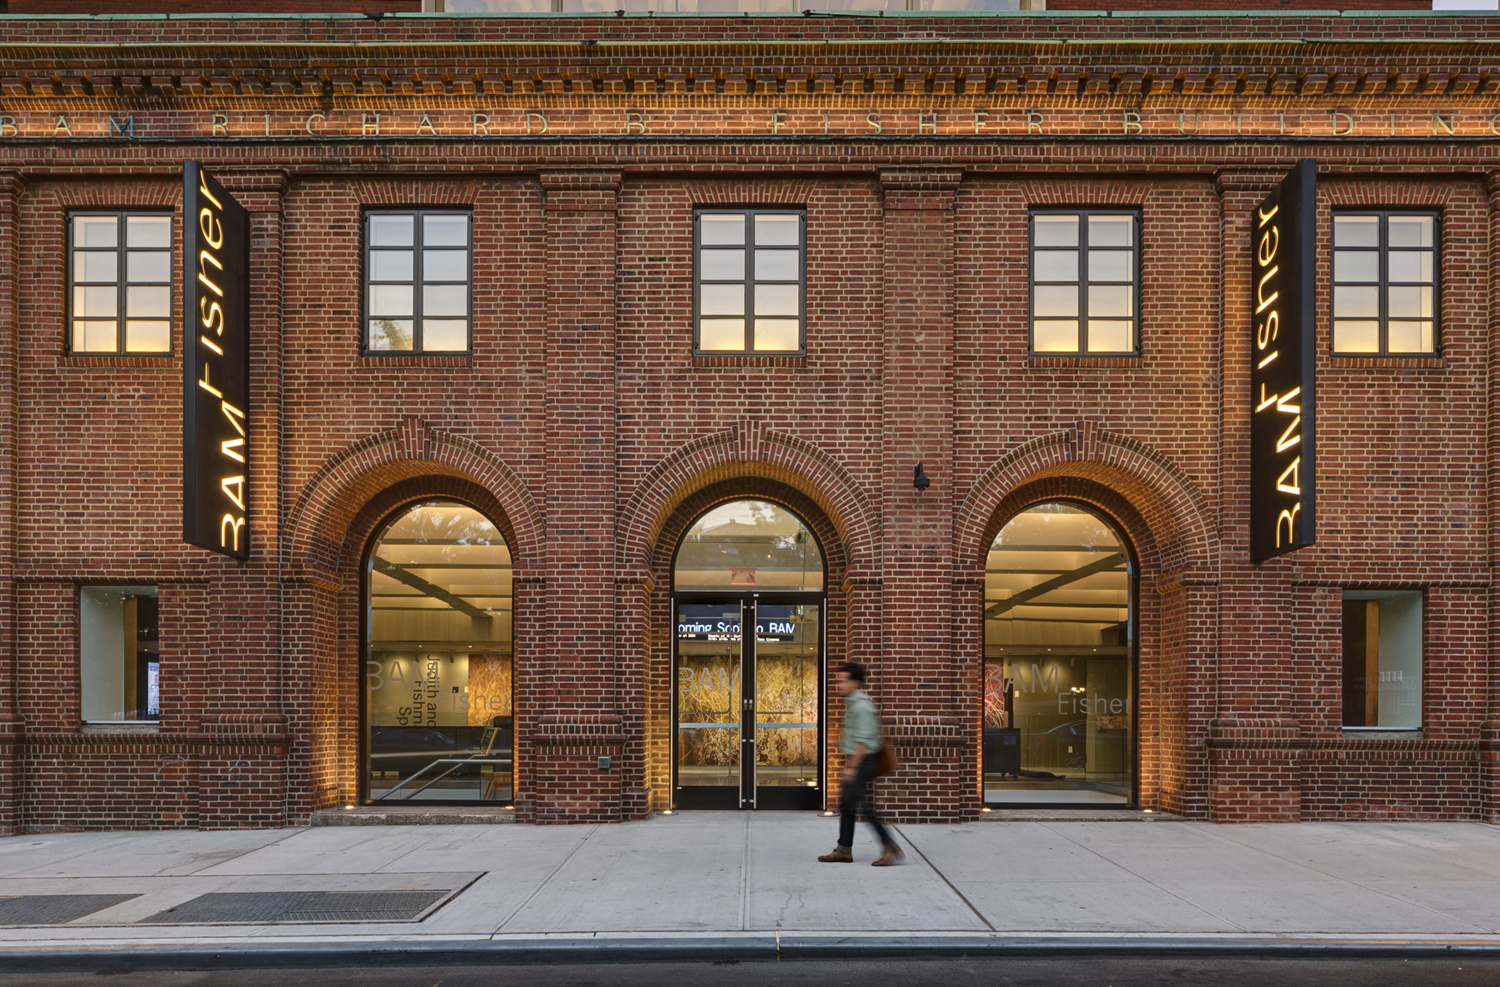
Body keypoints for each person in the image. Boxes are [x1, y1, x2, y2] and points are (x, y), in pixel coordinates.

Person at [818, 661, 903, 866]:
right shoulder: (854, 704)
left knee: (865, 807)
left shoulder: (862, 706)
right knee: (847, 806)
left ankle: (890, 847)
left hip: (862, 762)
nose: (838, 685)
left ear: (855, 683)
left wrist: (851, 767)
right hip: (857, 761)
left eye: (842, 681)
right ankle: (843, 850)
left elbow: (863, 742)